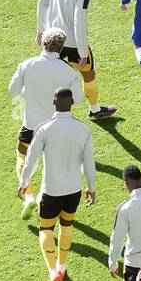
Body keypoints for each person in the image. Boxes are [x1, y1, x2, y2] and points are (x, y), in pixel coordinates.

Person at [16, 87, 96, 281]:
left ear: (53, 102)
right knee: (67, 226)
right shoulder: (83, 130)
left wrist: (24, 183)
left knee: (46, 229)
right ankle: (62, 266)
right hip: (74, 190)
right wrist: (92, 187)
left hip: (51, 190)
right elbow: (89, 163)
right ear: (72, 103)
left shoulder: (44, 129)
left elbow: (31, 159)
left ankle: (53, 272)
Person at [9, 29, 83, 219]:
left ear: (43, 43)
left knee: (23, 158)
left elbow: (13, 90)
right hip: (57, 128)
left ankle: (28, 196)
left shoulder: (27, 65)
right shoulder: (68, 71)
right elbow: (80, 98)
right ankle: (45, 199)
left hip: (31, 126)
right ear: (61, 47)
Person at [36, 0, 116, 121]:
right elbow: (78, 22)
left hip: (52, 39)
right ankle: (95, 110)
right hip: (72, 42)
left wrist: (41, 30)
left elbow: (42, 1)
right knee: (88, 73)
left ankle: (45, 113)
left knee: (52, 75)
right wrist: (82, 53)